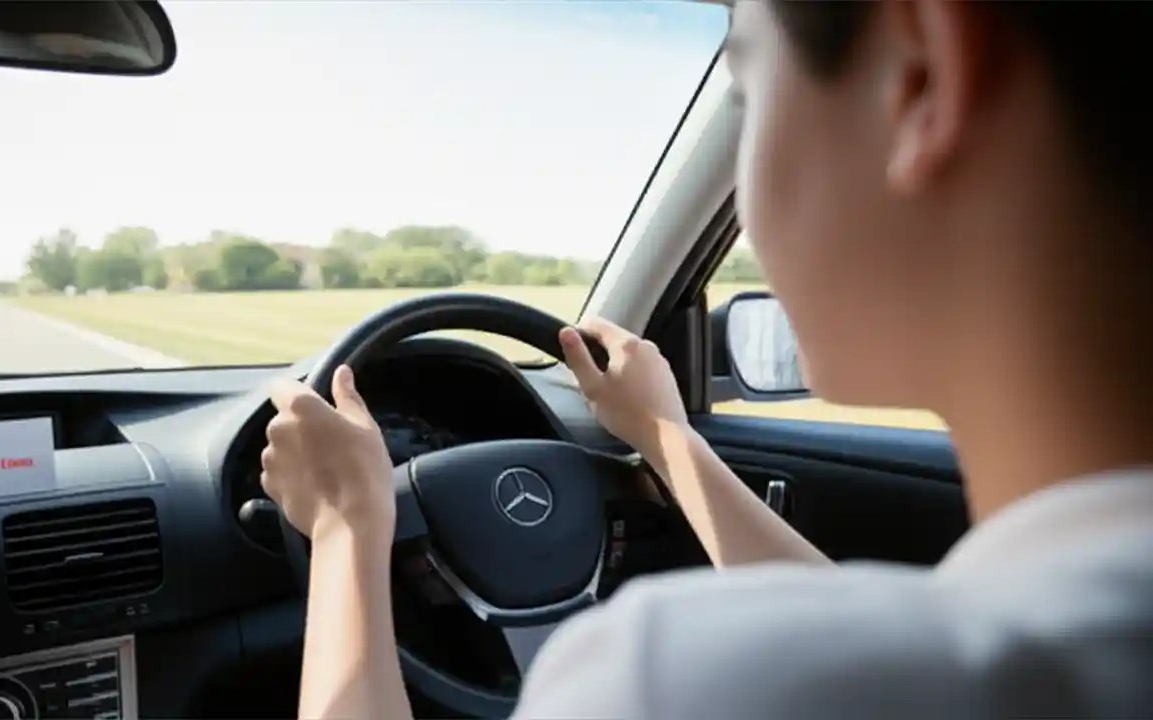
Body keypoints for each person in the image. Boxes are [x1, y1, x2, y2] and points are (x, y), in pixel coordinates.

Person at [260, 0, 1153, 717]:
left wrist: (348, 528)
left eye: (749, 95)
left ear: (922, 75)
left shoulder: (676, 678)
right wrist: (664, 436)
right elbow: (847, 634)